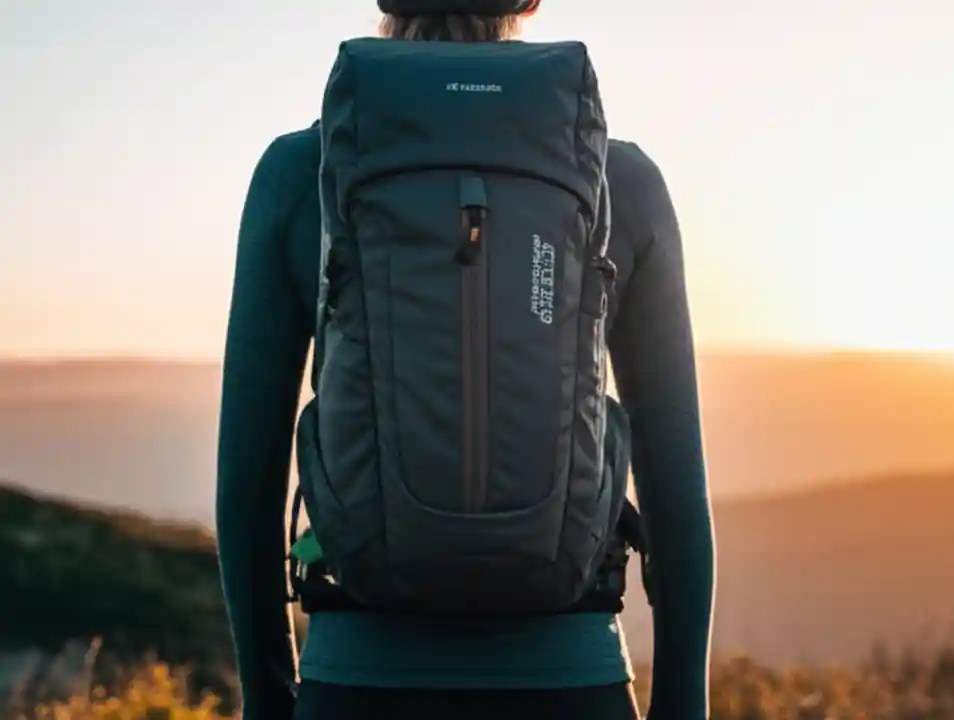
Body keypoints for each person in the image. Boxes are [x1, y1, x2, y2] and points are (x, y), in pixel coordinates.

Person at [215, 1, 715, 718]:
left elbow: (248, 486)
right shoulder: (618, 179)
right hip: (574, 686)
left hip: (355, 684)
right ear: (528, 1)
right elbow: (675, 493)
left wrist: (271, 700)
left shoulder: (300, 172)